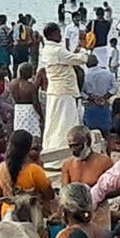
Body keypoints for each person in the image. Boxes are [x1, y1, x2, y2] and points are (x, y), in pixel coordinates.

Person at [39, 22, 88, 161]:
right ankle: (64, 157)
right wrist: (83, 50)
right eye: (58, 33)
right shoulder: (57, 50)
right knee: (66, 123)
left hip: (55, 91)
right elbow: (77, 59)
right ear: (52, 34)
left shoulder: (47, 49)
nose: (60, 35)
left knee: (54, 123)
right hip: (64, 93)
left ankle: (51, 152)